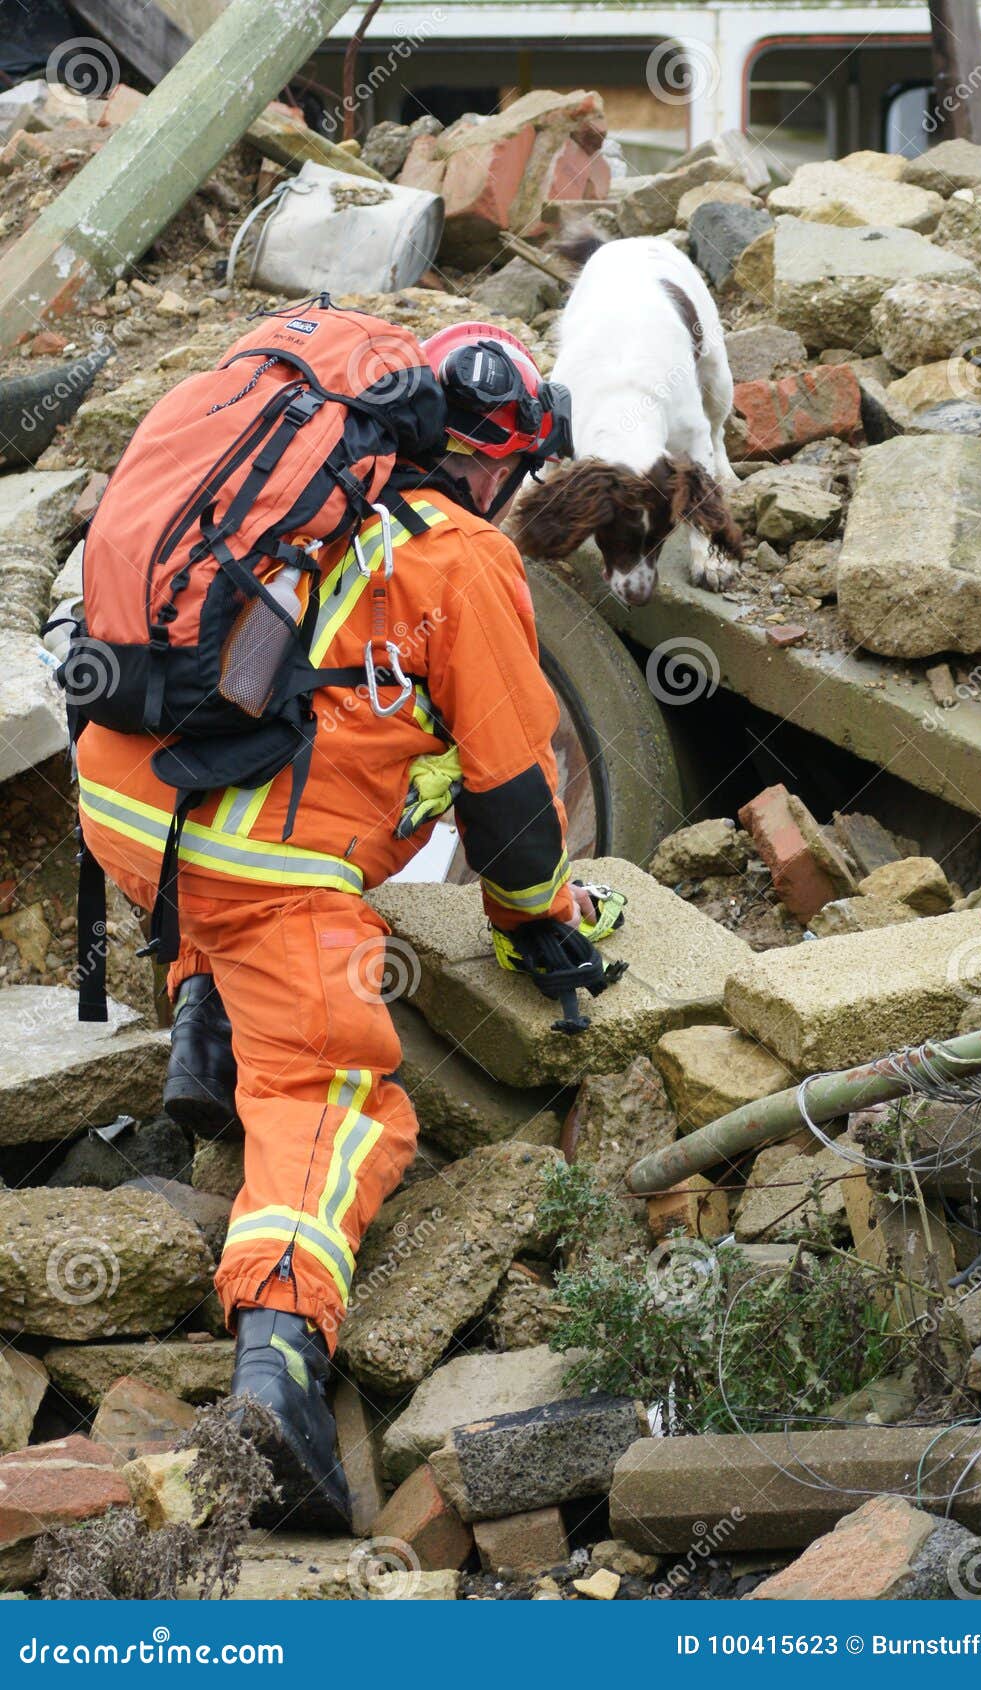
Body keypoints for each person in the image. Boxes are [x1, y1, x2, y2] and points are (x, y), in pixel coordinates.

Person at [74, 321, 591, 1528]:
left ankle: (205, 1018)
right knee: (334, 1094)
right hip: (255, 871)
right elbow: (514, 799)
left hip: (117, 815)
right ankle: (279, 1367)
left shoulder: (274, 490)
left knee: (299, 797)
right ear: (486, 464)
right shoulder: (459, 557)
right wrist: (536, 924)